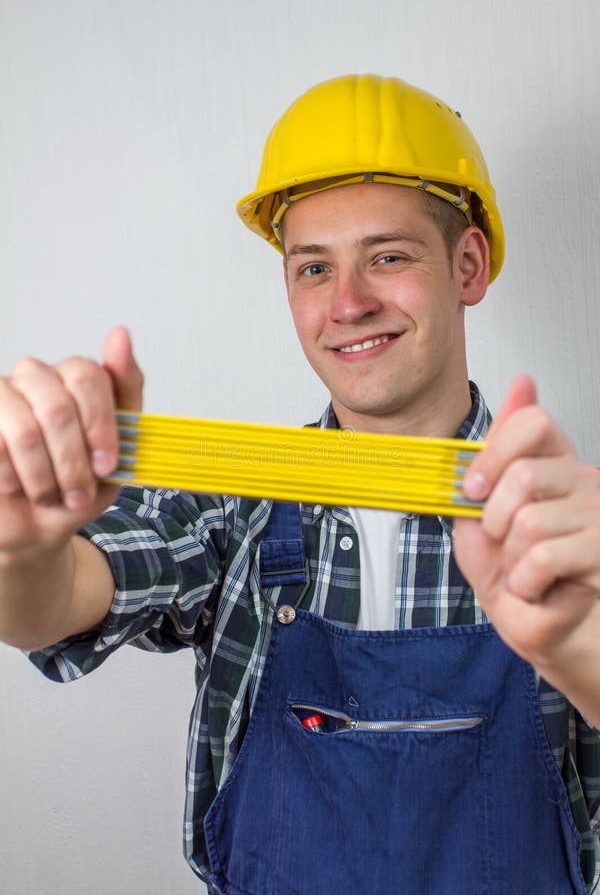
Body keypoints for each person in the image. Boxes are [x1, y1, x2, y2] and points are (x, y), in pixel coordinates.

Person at [0, 74, 599, 894]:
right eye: (314, 268)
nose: (347, 304)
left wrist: (578, 639)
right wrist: (21, 548)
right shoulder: (233, 508)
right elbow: (61, 598)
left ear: (468, 265)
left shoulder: (566, 529)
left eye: (387, 257)